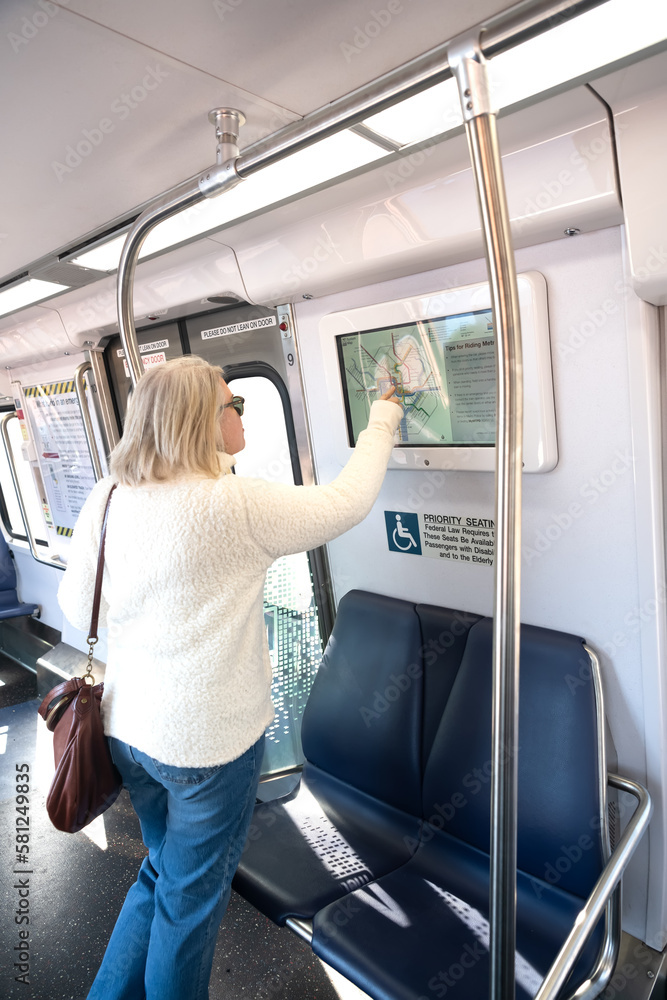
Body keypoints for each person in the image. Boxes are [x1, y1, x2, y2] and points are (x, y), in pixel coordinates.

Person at [57, 355, 403, 1000]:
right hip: (206, 748)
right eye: (231, 403)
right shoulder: (232, 503)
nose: (239, 412)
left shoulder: (109, 495)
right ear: (200, 420)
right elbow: (347, 502)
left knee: (162, 875)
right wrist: (383, 417)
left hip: (127, 731)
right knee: (189, 909)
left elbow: (80, 610)